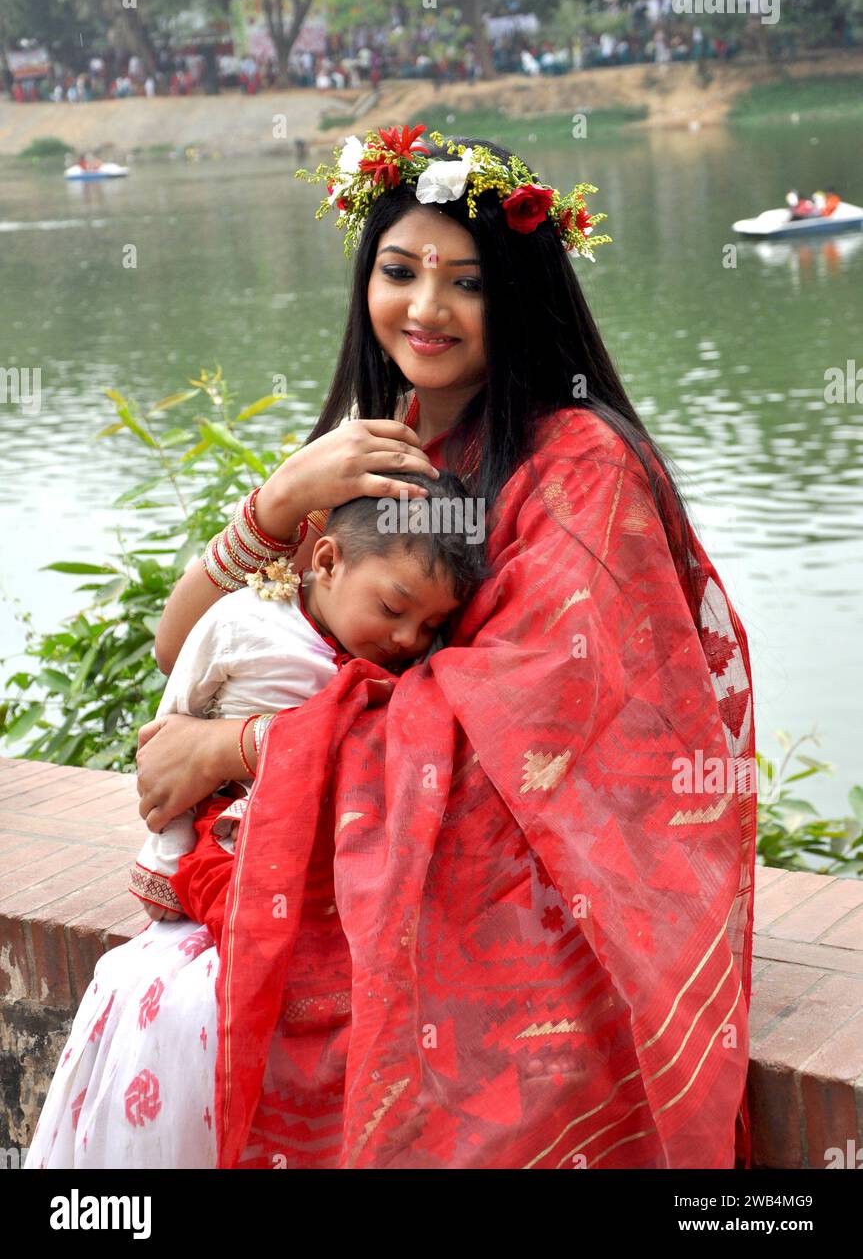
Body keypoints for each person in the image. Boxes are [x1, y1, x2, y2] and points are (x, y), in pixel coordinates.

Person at [25, 120, 756, 1171]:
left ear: (517, 294)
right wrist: (275, 503)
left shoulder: (580, 469)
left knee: (184, 1006)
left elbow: (518, 752)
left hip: (536, 899)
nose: (425, 307)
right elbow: (176, 648)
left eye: (465, 282)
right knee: (142, 990)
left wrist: (231, 752)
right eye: (398, 270)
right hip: (384, 847)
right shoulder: (390, 447)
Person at [127, 468, 486, 928]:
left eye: (430, 627)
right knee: (252, 922)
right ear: (329, 562)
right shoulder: (241, 625)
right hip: (238, 837)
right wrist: (163, 861)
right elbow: (173, 740)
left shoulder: (390, 667)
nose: (407, 637)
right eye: (392, 609)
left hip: (343, 846)